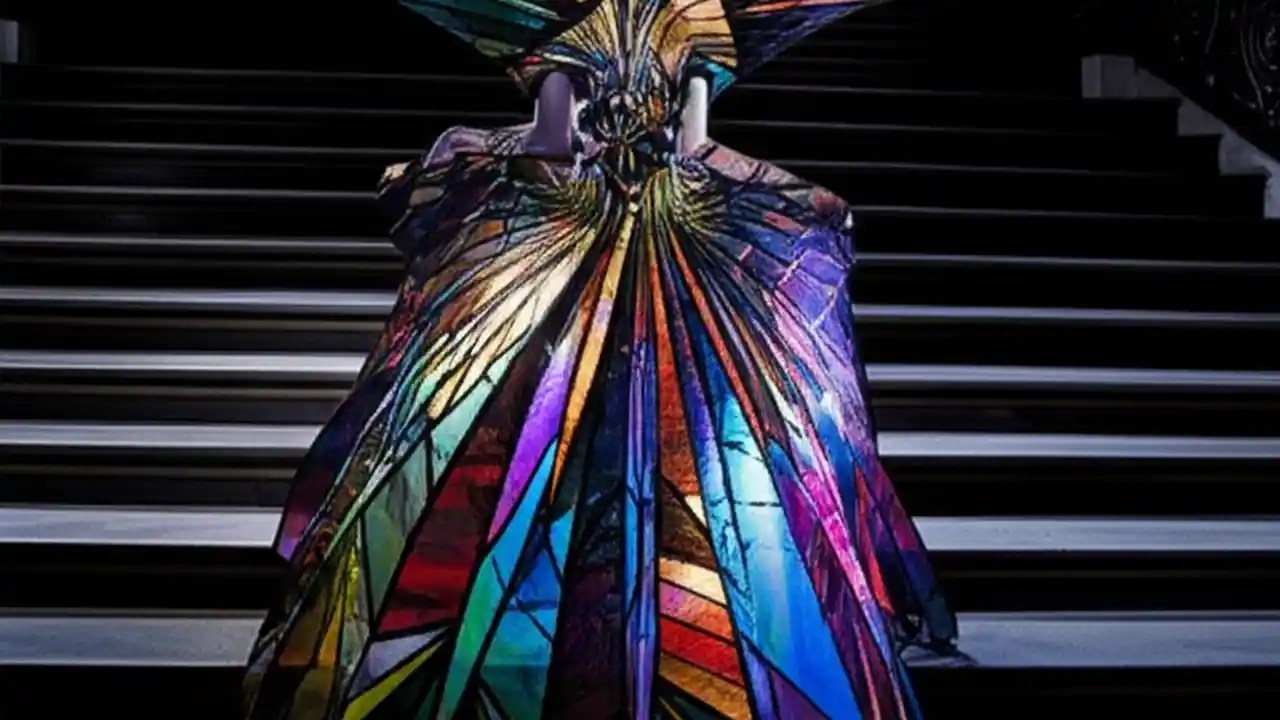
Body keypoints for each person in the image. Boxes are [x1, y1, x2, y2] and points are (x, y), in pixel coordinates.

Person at [243, 2, 957, 718]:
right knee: (688, 430)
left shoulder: (564, 29)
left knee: (542, 415)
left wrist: (485, 151)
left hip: (579, 243)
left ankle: (550, 624)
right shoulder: (696, 30)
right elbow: (698, 150)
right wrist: (783, 187)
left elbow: (551, 148)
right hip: (676, 246)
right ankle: (676, 630)